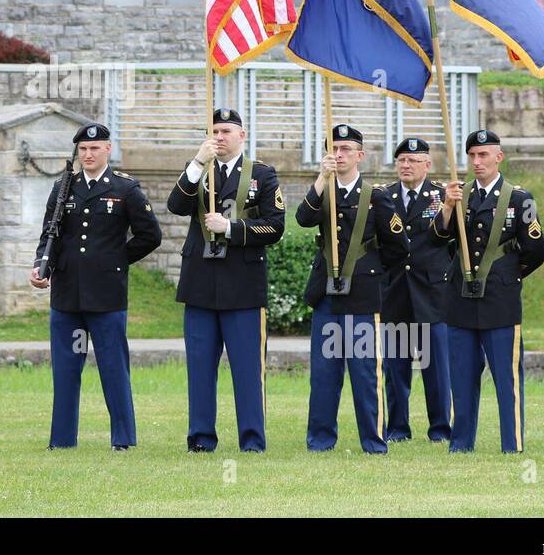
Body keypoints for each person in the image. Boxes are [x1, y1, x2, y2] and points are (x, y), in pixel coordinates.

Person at [29, 123, 162, 450]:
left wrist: (116, 261)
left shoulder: (125, 188)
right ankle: (61, 441)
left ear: (108, 149)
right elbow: (50, 233)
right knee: (65, 370)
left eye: (94, 149)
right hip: (67, 295)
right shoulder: (64, 186)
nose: (87, 154)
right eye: (83, 150)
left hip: (106, 296)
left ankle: (123, 439)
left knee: (113, 368)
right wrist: (40, 264)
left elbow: (150, 236)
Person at [166, 107, 285, 452]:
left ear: (242, 136)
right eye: (214, 131)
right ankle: (201, 439)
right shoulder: (200, 171)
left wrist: (231, 228)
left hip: (242, 286)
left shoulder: (262, 175)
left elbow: (275, 227)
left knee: (248, 371)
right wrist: (196, 163)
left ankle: (252, 440)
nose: (219, 137)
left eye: (226, 132)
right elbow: (175, 205)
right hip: (200, 283)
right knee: (200, 369)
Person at [295, 124, 407, 454]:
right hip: (327, 295)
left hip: (362, 296)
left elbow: (398, 248)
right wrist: (320, 178)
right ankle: (320, 440)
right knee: (324, 375)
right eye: (334, 148)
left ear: (360, 155)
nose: (339, 154)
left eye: (346, 149)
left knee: (365, 375)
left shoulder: (377, 197)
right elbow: (303, 218)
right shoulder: (323, 191)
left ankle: (373, 441)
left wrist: (371, 273)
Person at [435, 129, 544, 453]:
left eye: (483, 155)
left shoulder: (519, 198)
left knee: (506, 381)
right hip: (460, 302)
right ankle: (461, 444)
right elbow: (437, 239)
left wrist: (509, 276)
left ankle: (512, 445)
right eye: (472, 155)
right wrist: (446, 208)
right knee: (462, 378)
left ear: (499, 157)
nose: (476, 161)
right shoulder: (459, 195)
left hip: (500, 301)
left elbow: (536, 250)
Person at [381, 137, 453, 443]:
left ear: (428, 164)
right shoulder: (383, 196)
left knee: (436, 370)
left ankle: (440, 429)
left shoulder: (443, 196)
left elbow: (451, 240)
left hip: (432, 295)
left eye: (412, 160)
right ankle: (397, 428)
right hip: (395, 292)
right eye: (401, 161)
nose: (406, 165)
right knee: (395, 371)